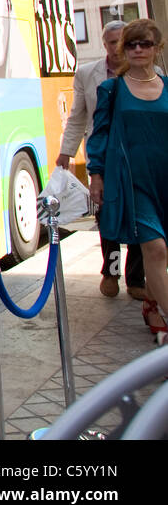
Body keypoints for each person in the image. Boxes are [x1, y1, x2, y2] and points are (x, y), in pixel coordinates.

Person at [87, 19, 168, 344]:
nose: (137, 49)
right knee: (156, 248)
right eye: (131, 44)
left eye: (144, 44)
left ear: (156, 49)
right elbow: (100, 135)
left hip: (164, 179)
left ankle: (151, 302)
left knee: (164, 253)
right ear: (123, 49)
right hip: (132, 182)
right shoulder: (111, 89)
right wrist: (96, 173)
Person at [57, 20, 145, 298]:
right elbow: (78, 116)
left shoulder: (146, 70)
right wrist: (66, 151)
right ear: (104, 43)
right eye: (111, 42)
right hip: (104, 157)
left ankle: (136, 280)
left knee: (141, 217)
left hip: (138, 156)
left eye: (123, 40)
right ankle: (112, 272)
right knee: (109, 217)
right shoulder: (87, 73)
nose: (117, 47)